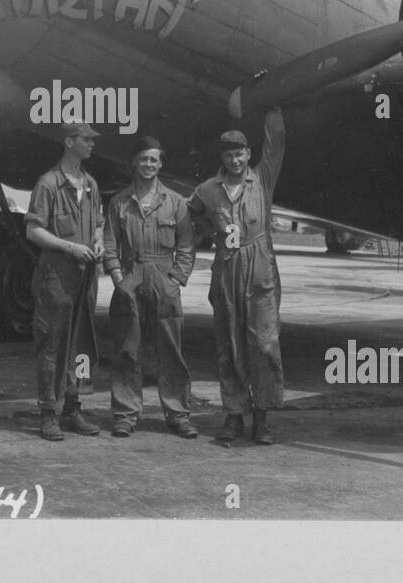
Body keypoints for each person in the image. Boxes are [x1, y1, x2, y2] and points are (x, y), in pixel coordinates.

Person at [187, 108, 286, 445]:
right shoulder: (208, 190)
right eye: (229, 155)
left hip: (259, 269)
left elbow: (277, 146)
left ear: (249, 154)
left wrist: (273, 107)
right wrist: (209, 233)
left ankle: (262, 418)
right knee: (229, 345)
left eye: (240, 153)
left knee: (264, 344)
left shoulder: (262, 179)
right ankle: (233, 416)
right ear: (223, 158)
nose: (235, 160)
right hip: (227, 268)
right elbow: (191, 214)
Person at [102, 136, 198, 439]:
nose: (148, 165)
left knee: (171, 350)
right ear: (134, 162)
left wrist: (175, 280)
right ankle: (126, 414)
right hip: (131, 275)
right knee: (127, 350)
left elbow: (186, 247)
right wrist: (119, 279)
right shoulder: (119, 202)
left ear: (161, 163)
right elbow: (109, 245)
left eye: (154, 160)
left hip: (164, 278)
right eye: (143, 159)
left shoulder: (175, 202)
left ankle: (178, 414)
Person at [24, 122, 104, 441]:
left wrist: (98, 241)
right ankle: (48, 413)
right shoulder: (47, 184)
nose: (92, 144)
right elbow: (33, 231)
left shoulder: (90, 184)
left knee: (81, 344)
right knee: (52, 343)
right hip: (56, 275)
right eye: (86, 139)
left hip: (86, 276)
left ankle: (72, 408)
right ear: (69, 142)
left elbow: (98, 223)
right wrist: (70, 247)